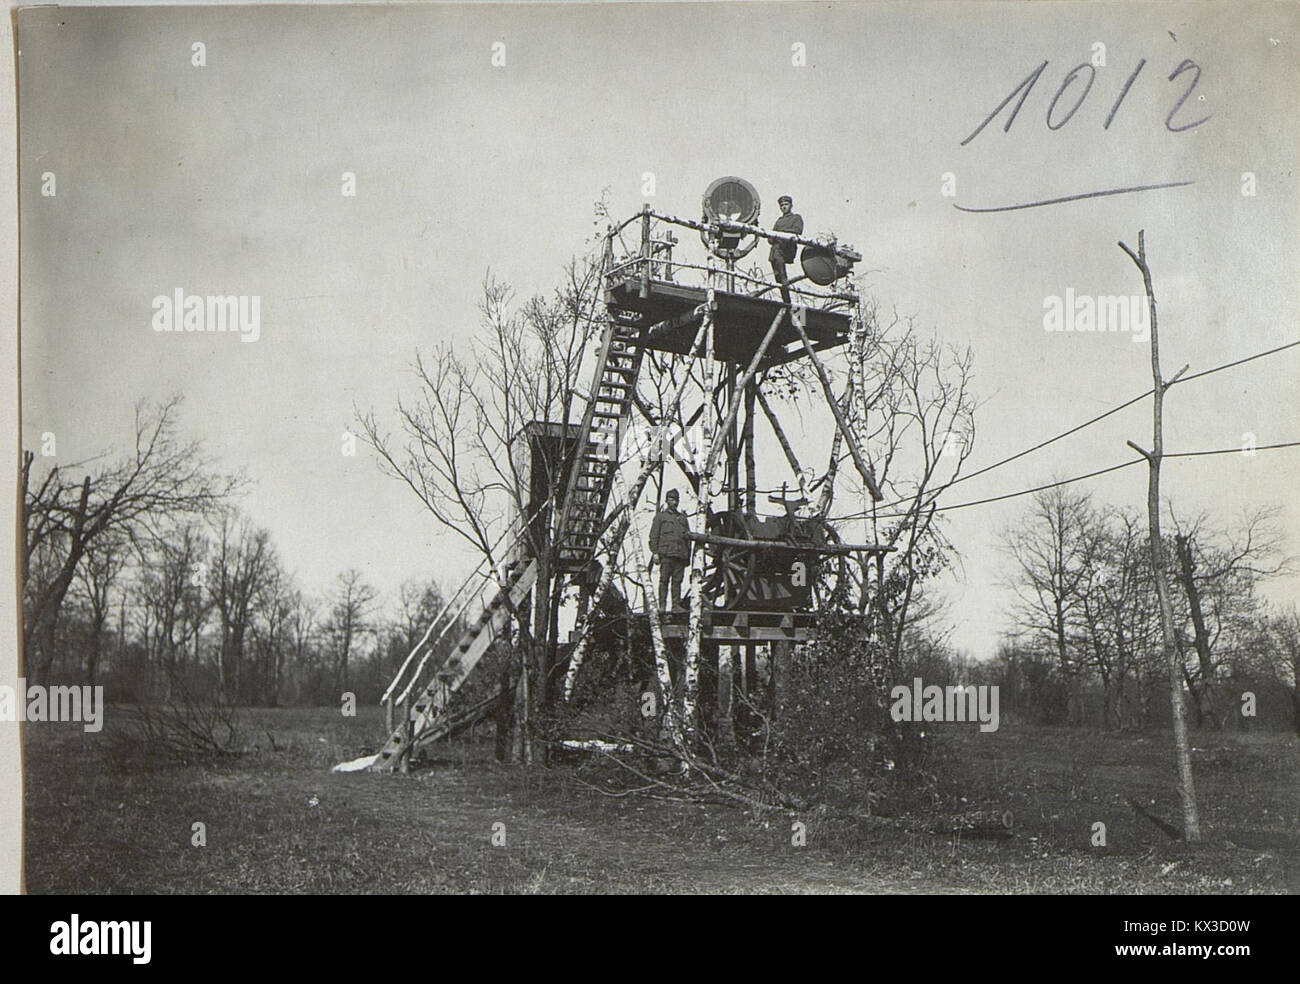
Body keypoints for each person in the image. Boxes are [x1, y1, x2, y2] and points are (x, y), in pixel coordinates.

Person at [648, 489, 691, 613]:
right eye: (671, 500)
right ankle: (662, 606)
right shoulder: (660, 517)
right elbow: (653, 536)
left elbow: (687, 538)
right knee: (664, 580)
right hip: (666, 554)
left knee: (677, 581)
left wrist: (687, 556)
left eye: (676, 500)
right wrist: (655, 552)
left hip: (680, 555)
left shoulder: (682, 519)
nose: (674, 503)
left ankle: (675, 605)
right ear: (667, 501)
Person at [769, 195, 803, 301]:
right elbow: (770, 238)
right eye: (782, 205)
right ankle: (785, 297)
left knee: (782, 275)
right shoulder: (779, 221)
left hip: (786, 249)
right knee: (777, 275)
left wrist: (780, 234)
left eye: (786, 204)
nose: (784, 207)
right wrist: (775, 236)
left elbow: (797, 230)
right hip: (776, 251)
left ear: (791, 205)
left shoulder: (796, 218)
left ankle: (787, 300)